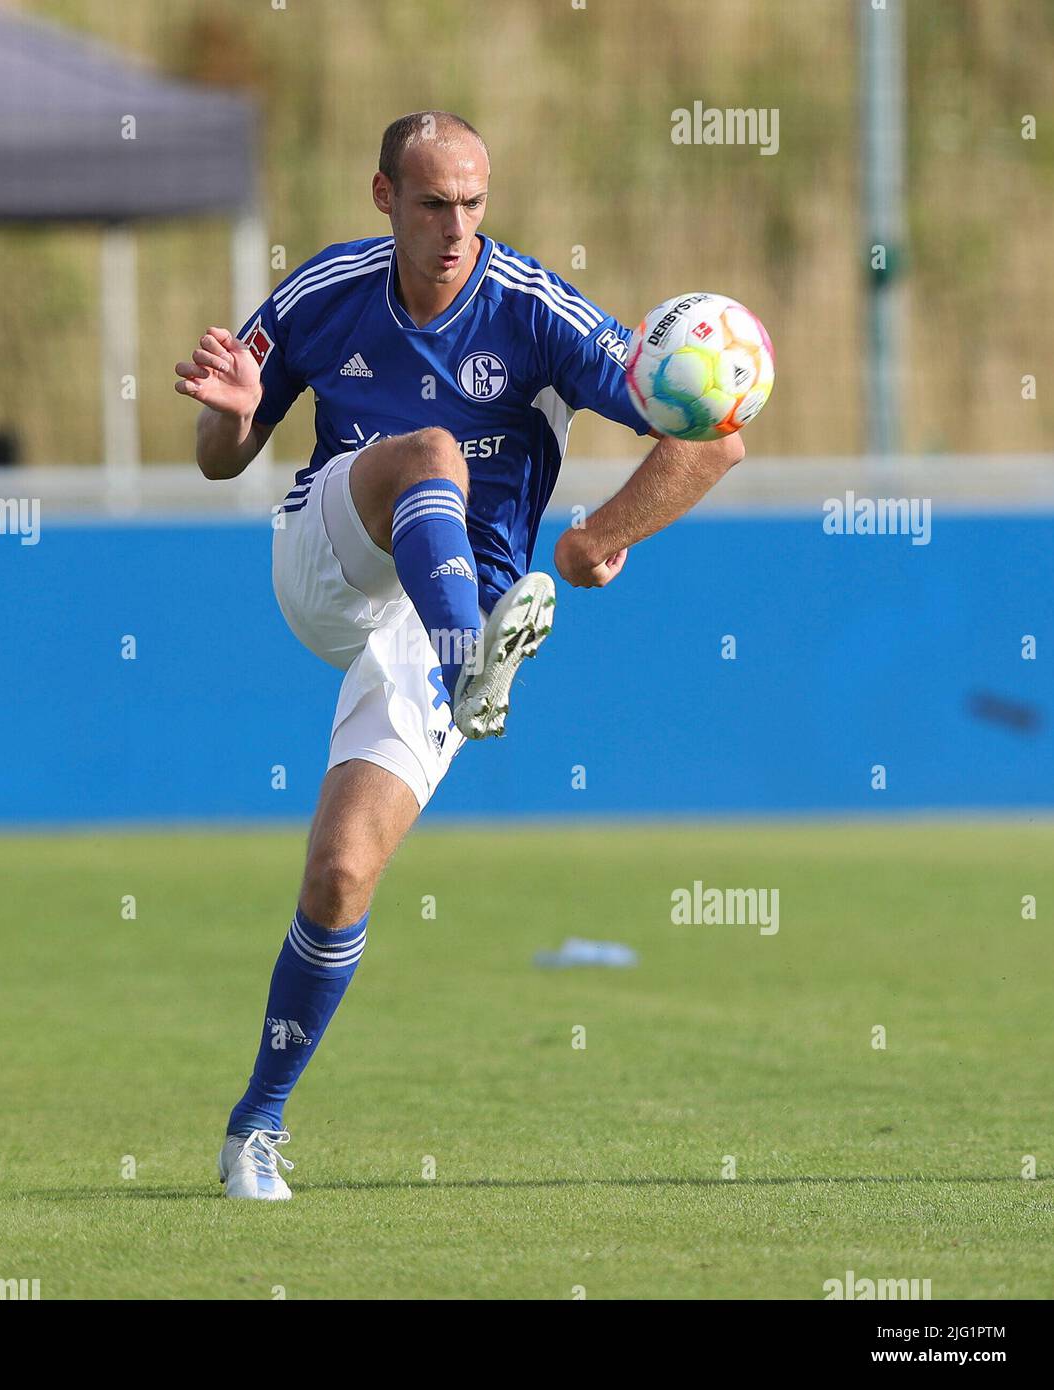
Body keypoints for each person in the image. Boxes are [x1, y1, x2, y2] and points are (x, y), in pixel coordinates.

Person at [175, 111, 743, 1199]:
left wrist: (594, 539)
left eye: (475, 203)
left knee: (341, 872)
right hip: (334, 562)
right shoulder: (320, 291)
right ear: (383, 196)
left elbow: (711, 435)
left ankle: (255, 1126)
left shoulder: (534, 312)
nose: (456, 226)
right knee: (429, 450)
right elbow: (219, 456)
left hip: (444, 622)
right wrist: (233, 420)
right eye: (434, 203)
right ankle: (472, 658)